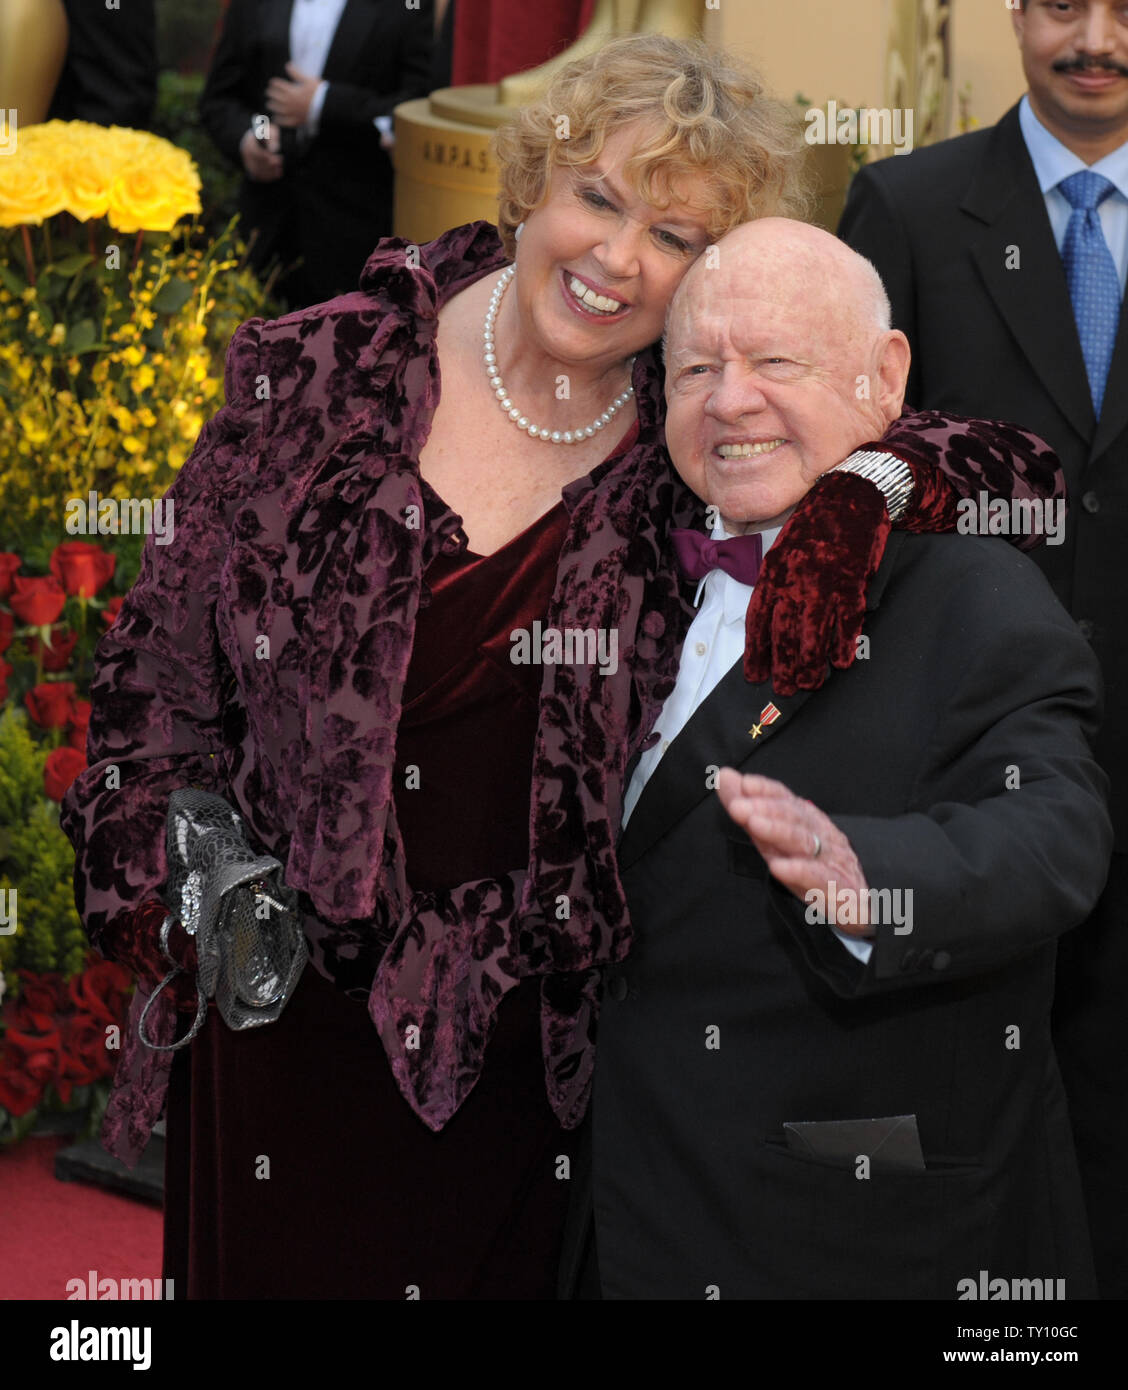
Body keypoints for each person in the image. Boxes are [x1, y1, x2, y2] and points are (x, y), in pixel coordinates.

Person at [62, 36, 1065, 1300]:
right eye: (598, 197)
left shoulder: (697, 443)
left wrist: (865, 488)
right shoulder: (320, 370)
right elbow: (151, 675)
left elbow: (1016, 472)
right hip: (276, 1031)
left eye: (680, 238)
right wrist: (191, 872)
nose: (617, 258)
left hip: (517, 1070)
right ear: (534, 183)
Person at [561, 219, 1112, 1301]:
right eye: (697, 368)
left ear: (886, 374)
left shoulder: (974, 594)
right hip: (619, 1208)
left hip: (847, 1235)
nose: (730, 400)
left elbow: (1058, 830)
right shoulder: (619, 567)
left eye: (776, 362)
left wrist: (875, 877)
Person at [838, 0, 1128, 1298]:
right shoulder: (903, 205)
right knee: (967, 1098)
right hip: (964, 756)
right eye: (1067, 4)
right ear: (1016, 16)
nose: (1098, 36)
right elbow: (849, 485)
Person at [199, 0, 434, 308]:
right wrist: (252, 137)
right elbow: (222, 98)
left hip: (358, 242)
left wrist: (324, 103)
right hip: (265, 236)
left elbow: (421, 107)